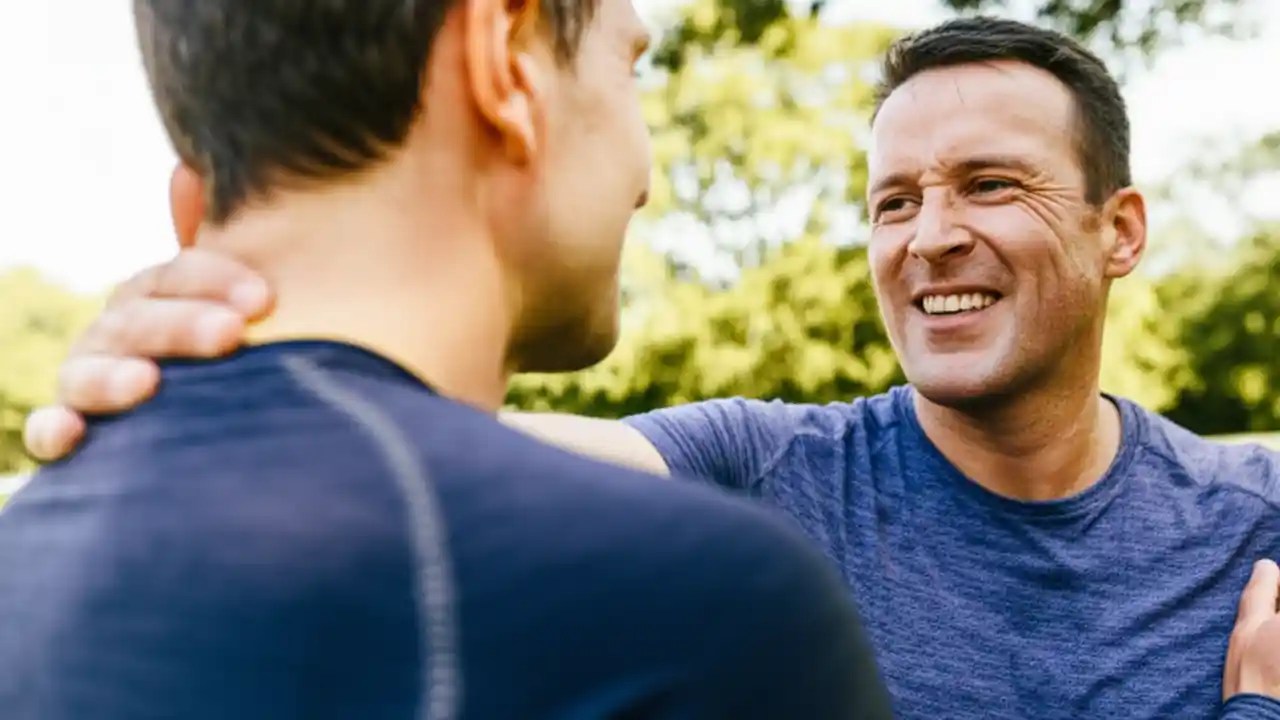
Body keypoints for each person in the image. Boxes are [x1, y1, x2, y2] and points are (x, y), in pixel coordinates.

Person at [19, 13, 1280, 720]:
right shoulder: (764, 483)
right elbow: (432, 453)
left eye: (987, 185)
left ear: (1119, 231)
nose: (926, 235)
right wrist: (229, 344)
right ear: (508, 64)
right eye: (889, 201)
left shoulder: (1251, 523)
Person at [0, 1, 897, 719]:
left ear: (191, 202)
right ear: (505, 60)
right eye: (632, 66)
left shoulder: (30, 557)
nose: (647, 176)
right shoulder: (705, 617)